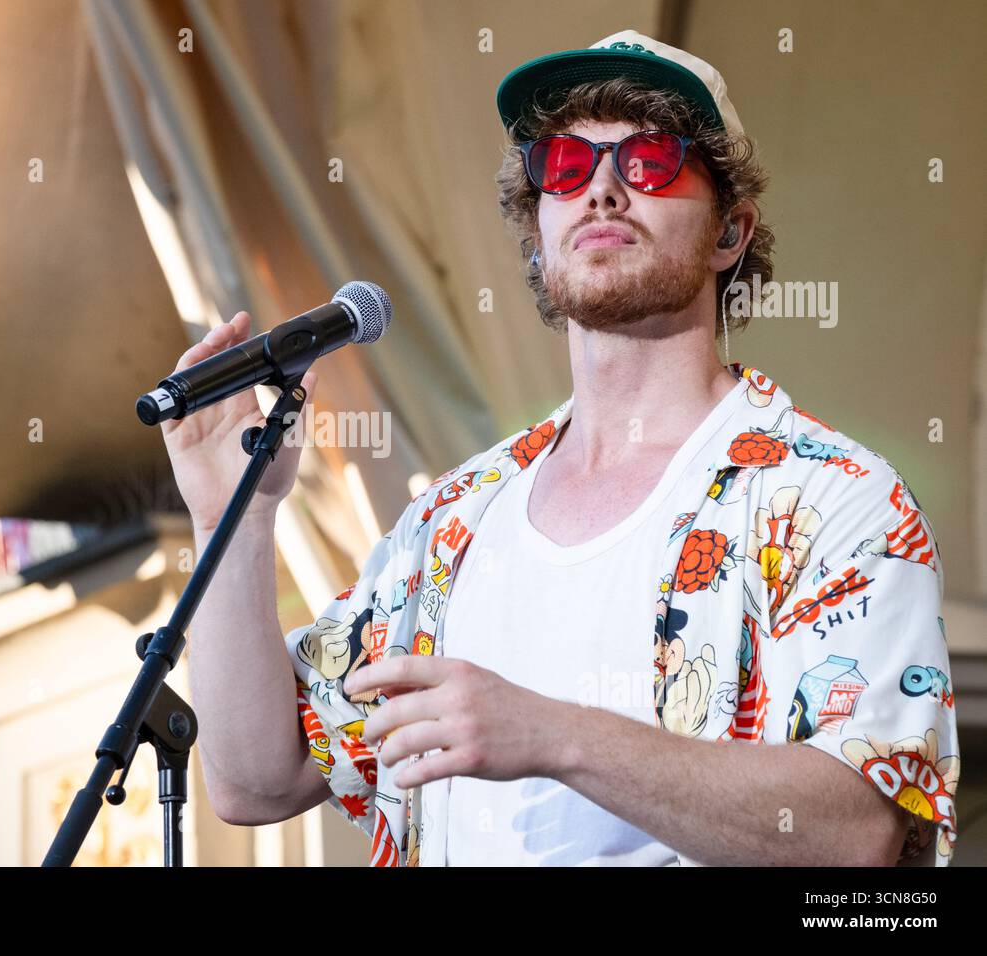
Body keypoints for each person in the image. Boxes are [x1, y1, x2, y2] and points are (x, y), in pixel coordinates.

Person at [162, 30, 958, 866]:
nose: (603, 191)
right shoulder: (452, 520)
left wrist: (554, 735)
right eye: (566, 167)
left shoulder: (833, 498)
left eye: (649, 160)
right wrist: (235, 518)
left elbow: (858, 831)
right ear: (538, 234)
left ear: (731, 233)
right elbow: (257, 781)